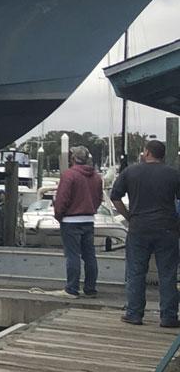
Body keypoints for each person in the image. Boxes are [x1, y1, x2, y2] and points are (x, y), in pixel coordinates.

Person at [110, 139, 180, 327]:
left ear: (147, 153)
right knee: (168, 273)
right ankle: (169, 316)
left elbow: (115, 196)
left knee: (136, 272)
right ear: (162, 155)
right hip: (167, 228)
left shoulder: (131, 171)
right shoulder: (174, 174)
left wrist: (128, 215)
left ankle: (134, 313)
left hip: (139, 226)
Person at [52, 146, 103, 297]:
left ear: (73, 158)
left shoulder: (69, 175)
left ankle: (72, 288)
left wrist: (59, 215)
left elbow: (62, 198)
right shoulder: (97, 177)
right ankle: (90, 288)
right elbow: (99, 198)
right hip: (88, 219)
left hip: (71, 220)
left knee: (73, 255)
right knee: (90, 256)